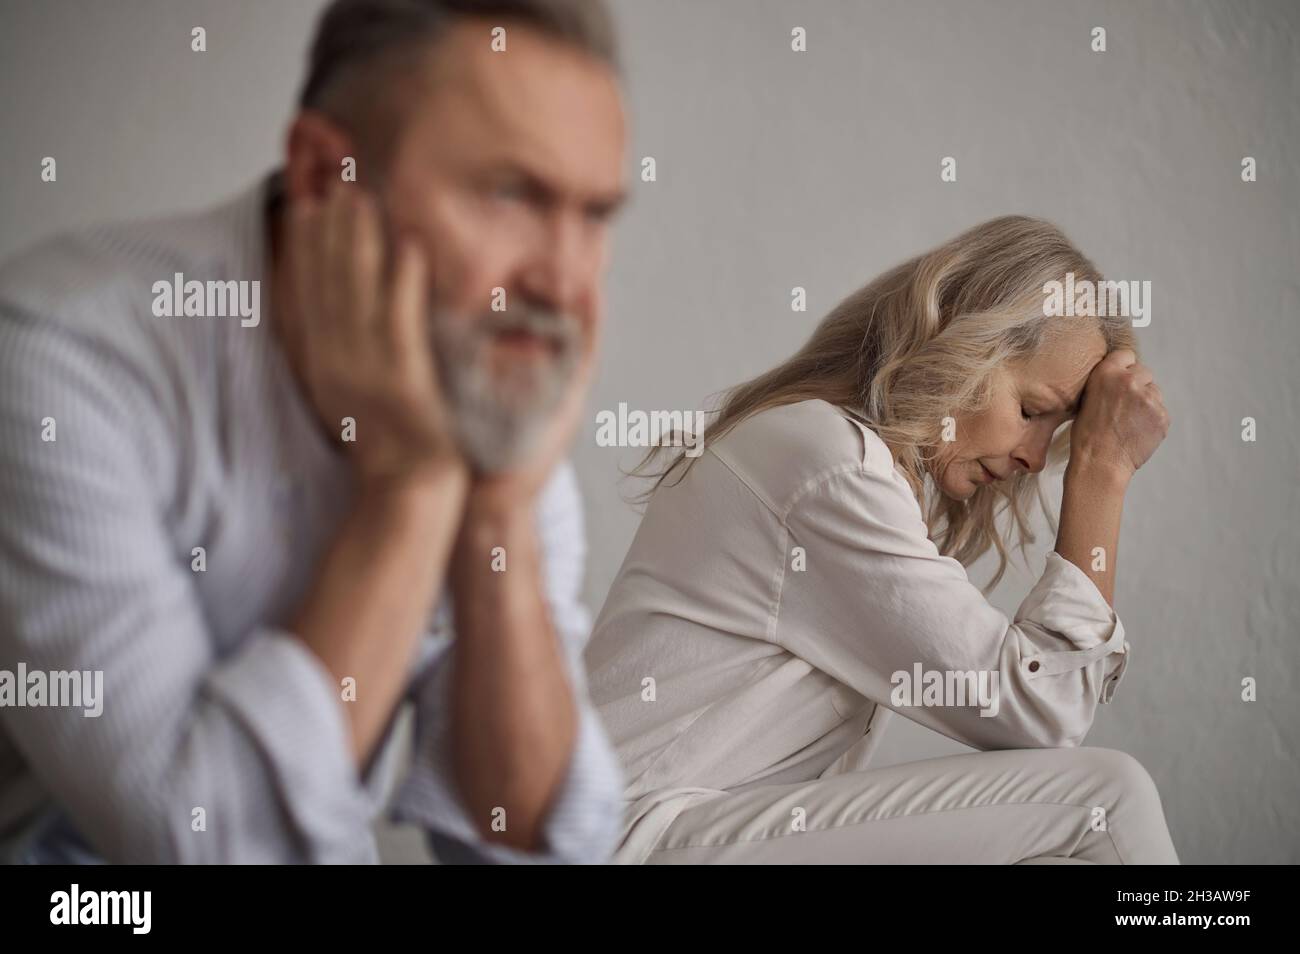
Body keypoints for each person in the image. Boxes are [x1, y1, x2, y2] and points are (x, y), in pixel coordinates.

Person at [0, 0, 628, 864]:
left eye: (595, 216)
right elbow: (198, 845)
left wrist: (494, 517)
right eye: (510, 194)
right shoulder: (58, 364)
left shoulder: (485, 383)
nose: (563, 282)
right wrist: (414, 485)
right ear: (325, 173)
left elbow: (525, 843)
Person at [585, 216, 1180, 864]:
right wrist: (1102, 472)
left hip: (659, 833)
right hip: (629, 841)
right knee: (1107, 801)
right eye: (1033, 410)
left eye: (1058, 430)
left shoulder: (817, 452)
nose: (1037, 458)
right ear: (959, 344)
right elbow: (1041, 708)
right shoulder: (826, 466)